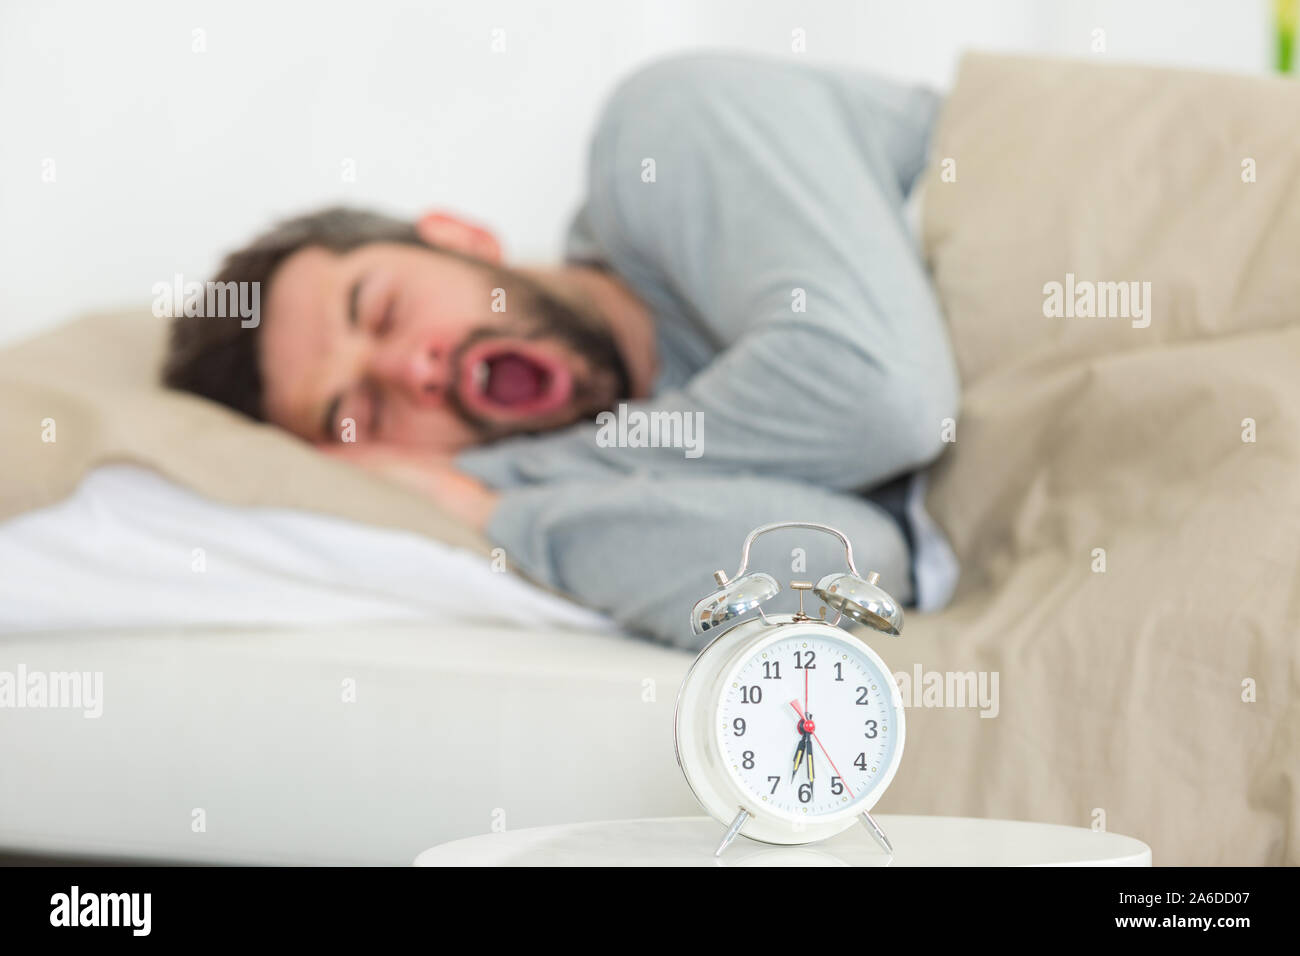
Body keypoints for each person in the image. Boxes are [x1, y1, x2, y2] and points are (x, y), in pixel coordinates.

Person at [164, 53, 960, 647]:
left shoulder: (664, 133)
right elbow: (850, 575)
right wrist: (486, 514)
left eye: (384, 310)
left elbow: (885, 403)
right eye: (359, 413)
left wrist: (489, 478)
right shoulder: (608, 503)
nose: (412, 369)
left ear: (458, 238)